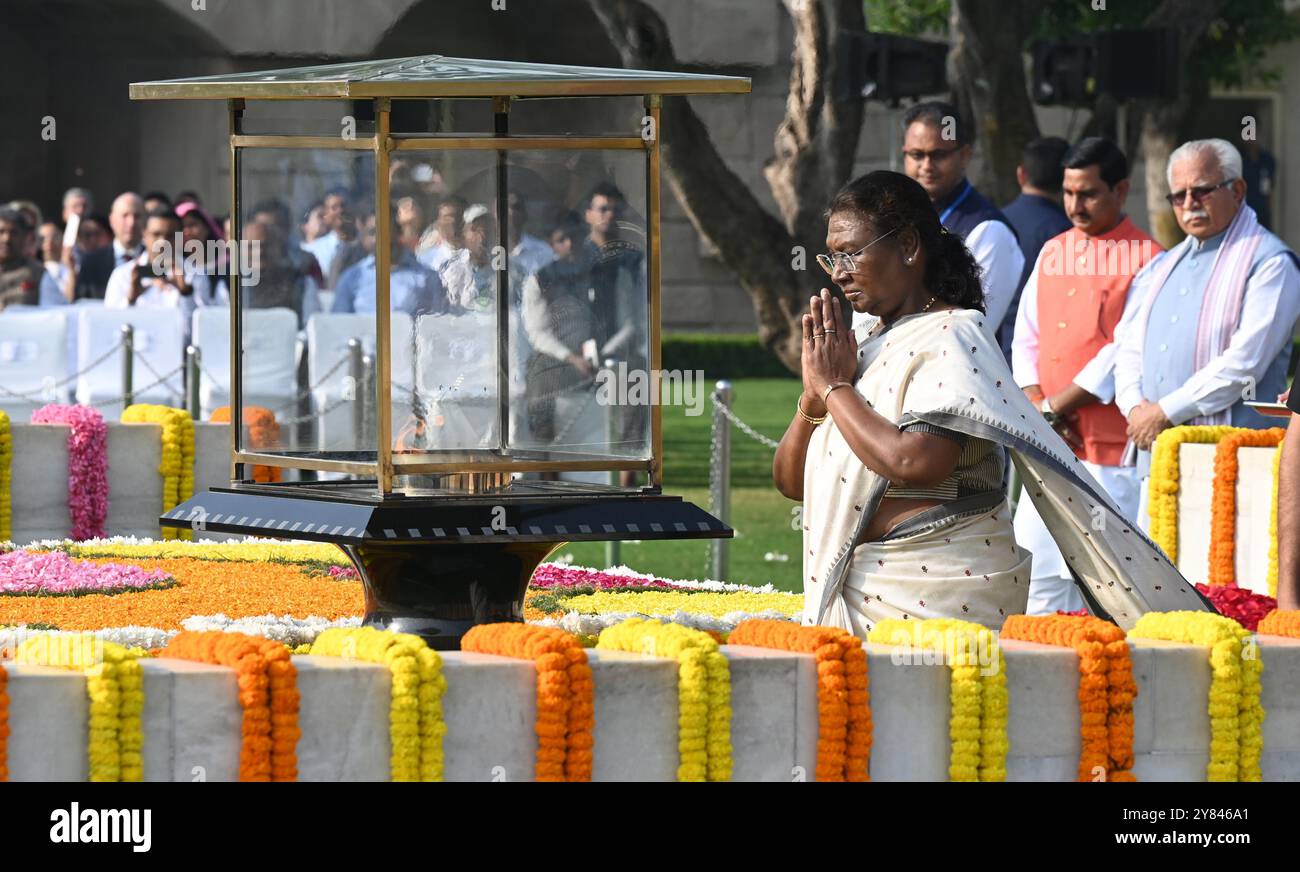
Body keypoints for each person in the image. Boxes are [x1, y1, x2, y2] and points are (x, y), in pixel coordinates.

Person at [772, 170, 1208, 637]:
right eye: (831, 257)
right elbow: (791, 482)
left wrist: (837, 390)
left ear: (908, 246)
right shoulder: (857, 345)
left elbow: (917, 462)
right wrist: (814, 394)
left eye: (851, 254)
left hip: (939, 600)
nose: (838, 274)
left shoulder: (954, 334)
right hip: (863, 592)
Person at [1112, 138, 1300, 528]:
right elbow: (1127, 348)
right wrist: (1136, 410)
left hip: (1234, 461)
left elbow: (1244, 363)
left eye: (1201, 190)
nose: (1189, 203)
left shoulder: (1270, 263)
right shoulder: (1162, 266)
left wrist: (1164, 412)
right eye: (1178, 196)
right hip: (1158, 456)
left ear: (1238, 190)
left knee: (1226, 589)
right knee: (1158, 586)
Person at [1011, 138, 1163, 614]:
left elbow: (1125, 352)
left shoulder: (1149, 258)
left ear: (1121, 190)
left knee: (1107, 584)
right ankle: (1033, 682)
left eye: (1089, 193)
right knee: (1035, 577)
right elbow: (1026, 334)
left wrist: (1057, 406)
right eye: (1069, 192)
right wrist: (1036, 400)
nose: (1075, 205)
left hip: (1108, 450)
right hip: (1049, 441)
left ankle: (1104, 683)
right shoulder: (1054, 250)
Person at [888, 101, 1023, 338]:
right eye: (917, 155)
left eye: (939, 155)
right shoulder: (896, 218)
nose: (927, 166)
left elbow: (973, 327)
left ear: (965, 155)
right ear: (904, 154)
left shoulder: (989, 228)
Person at [104, 207, 226, 342]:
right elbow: (109, 331)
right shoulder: (123, 275)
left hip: (179, 359)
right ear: (144, 235)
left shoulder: (195, 275)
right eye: (156, 234)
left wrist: (185, 294)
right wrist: (130, 300)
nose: (163, 242)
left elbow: (201, 334)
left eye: (170, 236)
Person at [999, 136, 1072, 359]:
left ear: (1021, 174)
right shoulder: (1067, 235)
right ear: (1065, 180)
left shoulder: (994, 222)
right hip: (1039, 360)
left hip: (992, 353)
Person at [331, 208, 447, 316]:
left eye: (385, 230)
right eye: (373, 232)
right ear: (364, 238)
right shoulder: (352, 278)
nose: (379, 238)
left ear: (397, 231)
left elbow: (437, 325)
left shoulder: (426, 277)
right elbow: (338, 325)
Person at [240, 220, 321, 327]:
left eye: (264, 245)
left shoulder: (302, 284)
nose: (259, 252)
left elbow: (312, 327)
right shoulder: (229, 286)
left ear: (276, 247)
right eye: (251, 247)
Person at [76, 192, 145, 299]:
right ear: (112, 220)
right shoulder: (91, 262)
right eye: (125, 215)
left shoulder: (155, 261)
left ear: (145, 220)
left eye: (137, 216)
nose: (131, 223)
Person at [0, 208, 66, 310]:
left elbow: (57, 316)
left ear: (25, 237)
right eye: (1, 232)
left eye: (14, 233)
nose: (6, 239)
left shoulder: (38, 274)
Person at [301, 188, 349, 284]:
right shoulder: (312, 250)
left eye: (343, 206)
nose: (340, 211)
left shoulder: (361, 242)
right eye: (334, 207)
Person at [417, 195, 467, 272]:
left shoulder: (473, 253)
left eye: (456, 216)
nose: (452, 221)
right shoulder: (426, 257)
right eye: (447, 217)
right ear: (438, 223)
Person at [38, 220, 78, 303]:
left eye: (55, 238)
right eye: (43, 239)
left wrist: (71, 270)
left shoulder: (73, 269)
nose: (49, 243)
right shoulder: (33, 270)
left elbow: (69, 300)